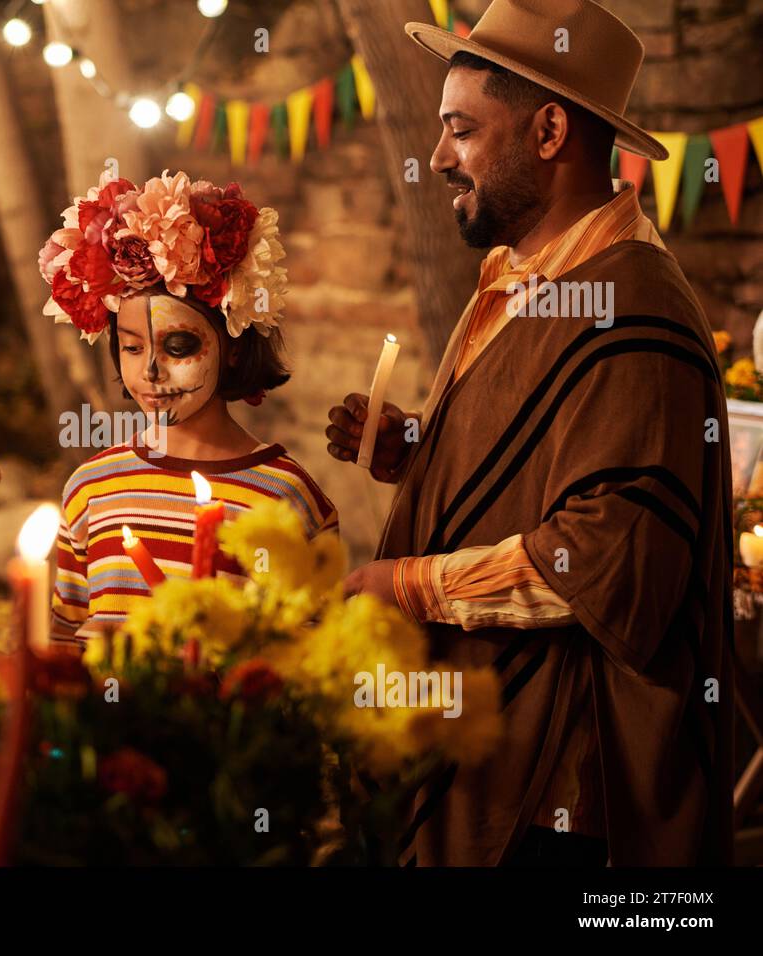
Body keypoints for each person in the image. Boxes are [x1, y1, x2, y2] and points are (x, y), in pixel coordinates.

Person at [327, 0, 733, 866]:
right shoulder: (520, 273)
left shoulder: (634, 308)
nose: (436, 157)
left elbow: (607, 557)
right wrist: (423, 451)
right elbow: (539, 455)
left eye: (461, 130)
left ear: (550, 130)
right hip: (480, 740)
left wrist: (406, 585)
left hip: (566, 790)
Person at [40, 170, 337, 645]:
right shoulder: (91, 488)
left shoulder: (286, 498)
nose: (151, 372)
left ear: (234, 346)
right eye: (133, 348)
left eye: (178, 347)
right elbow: (66, 638)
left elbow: (313, 657)